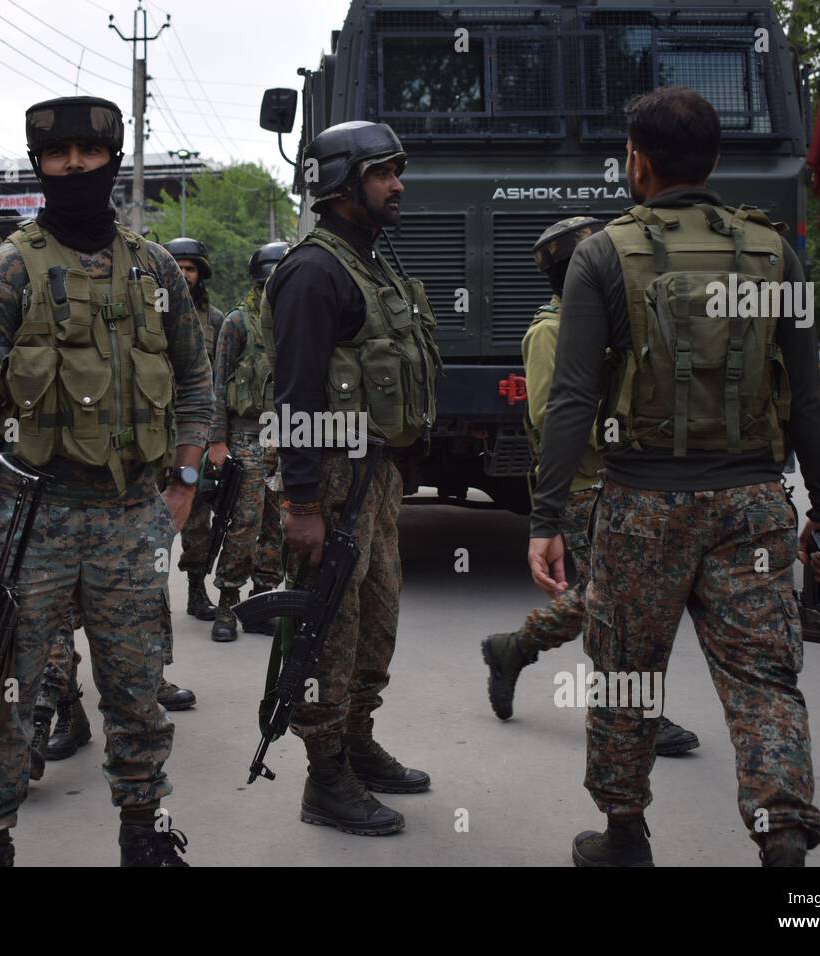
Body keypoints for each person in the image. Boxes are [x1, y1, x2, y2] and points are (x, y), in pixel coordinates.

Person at [527, 87, 820, 867]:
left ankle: (625, 835)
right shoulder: (776, 253)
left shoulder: (603, 253)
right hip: (754, 503)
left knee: (627, 673)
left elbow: (571, 399)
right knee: (764, 679)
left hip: (643, 504)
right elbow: (807, 397)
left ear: (636, 159)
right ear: (715, 160)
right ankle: (785, 840)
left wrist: (545, 517)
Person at [0, 96, 213, 866]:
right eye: (57, 155)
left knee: (136, 685)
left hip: (131, 516)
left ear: (113, 162)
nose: (73, 166)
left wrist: (185, 482)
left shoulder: (157, 269)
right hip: (34, 514)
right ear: (39, 165)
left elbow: (196, 383)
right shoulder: (9, 271)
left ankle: (144, 832)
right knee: (8, 689)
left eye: (87, 154)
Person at [263, 121, 439, 836]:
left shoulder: (371, 262)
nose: (398, 184)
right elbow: (296, 395)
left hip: (376, 477)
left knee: (376, 620)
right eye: (383, 173)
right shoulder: (313, 271)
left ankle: (357, 740)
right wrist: (302, 501)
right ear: (338, 184)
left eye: (398, 170)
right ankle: (324, 775)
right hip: (331, 483)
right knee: (328, 628)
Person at [482, 217, 699, 756]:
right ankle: (633, 714)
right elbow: (549, 418)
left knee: (610, 593)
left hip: (626, 480)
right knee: (616, 601)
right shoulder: (551, 332)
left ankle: (514, 649)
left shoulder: (610, 325)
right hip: (585, 485)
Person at [206, 241, 288, 642]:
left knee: (279, 526)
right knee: (244, 524)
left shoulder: (300, 321)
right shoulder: (237, 323)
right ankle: (227, 603)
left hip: (290, 436)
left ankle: (263, 602)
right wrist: (216, 441)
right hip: (247, 436)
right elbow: (218, 385)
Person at [164, 235, 225, 628]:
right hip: (153, 430)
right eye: (178, 268)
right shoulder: (150, 310)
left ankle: (197, 587)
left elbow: (219, 380)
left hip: (194, 431)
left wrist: (218, 436)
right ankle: (150, 599)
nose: (184, 275)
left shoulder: (215, 320)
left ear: (200, 275)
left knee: (198, 514)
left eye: (190, 269)